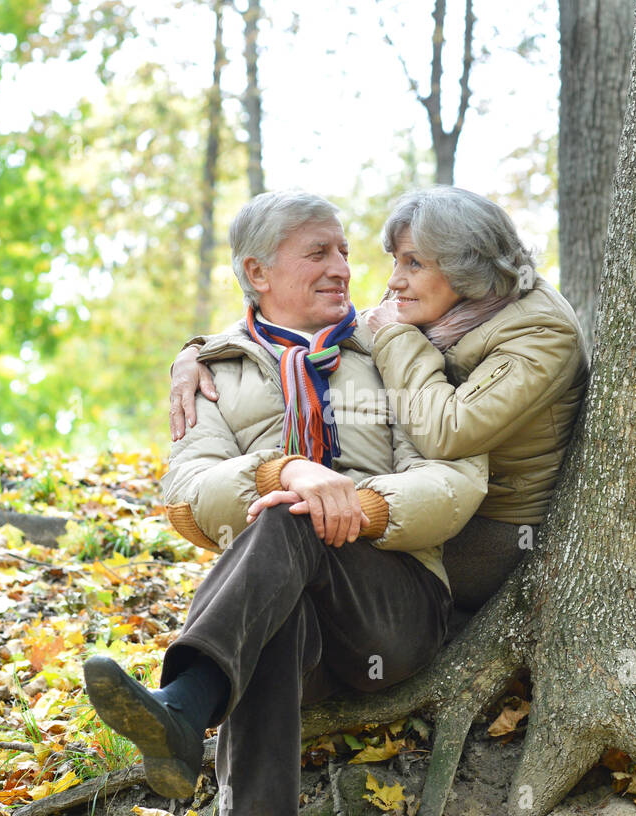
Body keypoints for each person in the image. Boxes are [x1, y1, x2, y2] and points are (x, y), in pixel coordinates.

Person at [84, 190, 488, 816]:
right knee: (281, 541)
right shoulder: (216, 374)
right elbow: (187, 492)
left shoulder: (394, 347)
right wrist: (284, 471)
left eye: (343, 251)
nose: (342, 267)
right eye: (317, 253)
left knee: (290, 517)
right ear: (258, 272)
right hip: (279, 619)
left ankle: (186, 705)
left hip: (390, 609)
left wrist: (361, 506)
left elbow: (457, 475)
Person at [171, 186, 588, 612]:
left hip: (494, 530)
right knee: (298, 540)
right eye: (396, 261)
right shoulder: (446, 303)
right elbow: (329, 325)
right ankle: (199, 676)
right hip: (431, 513)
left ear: (464, 266)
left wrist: (346, 506)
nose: (393, 280)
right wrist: (198, 351)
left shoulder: (541, 333)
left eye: (413, 262)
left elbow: (448, 432)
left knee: (303, 544)